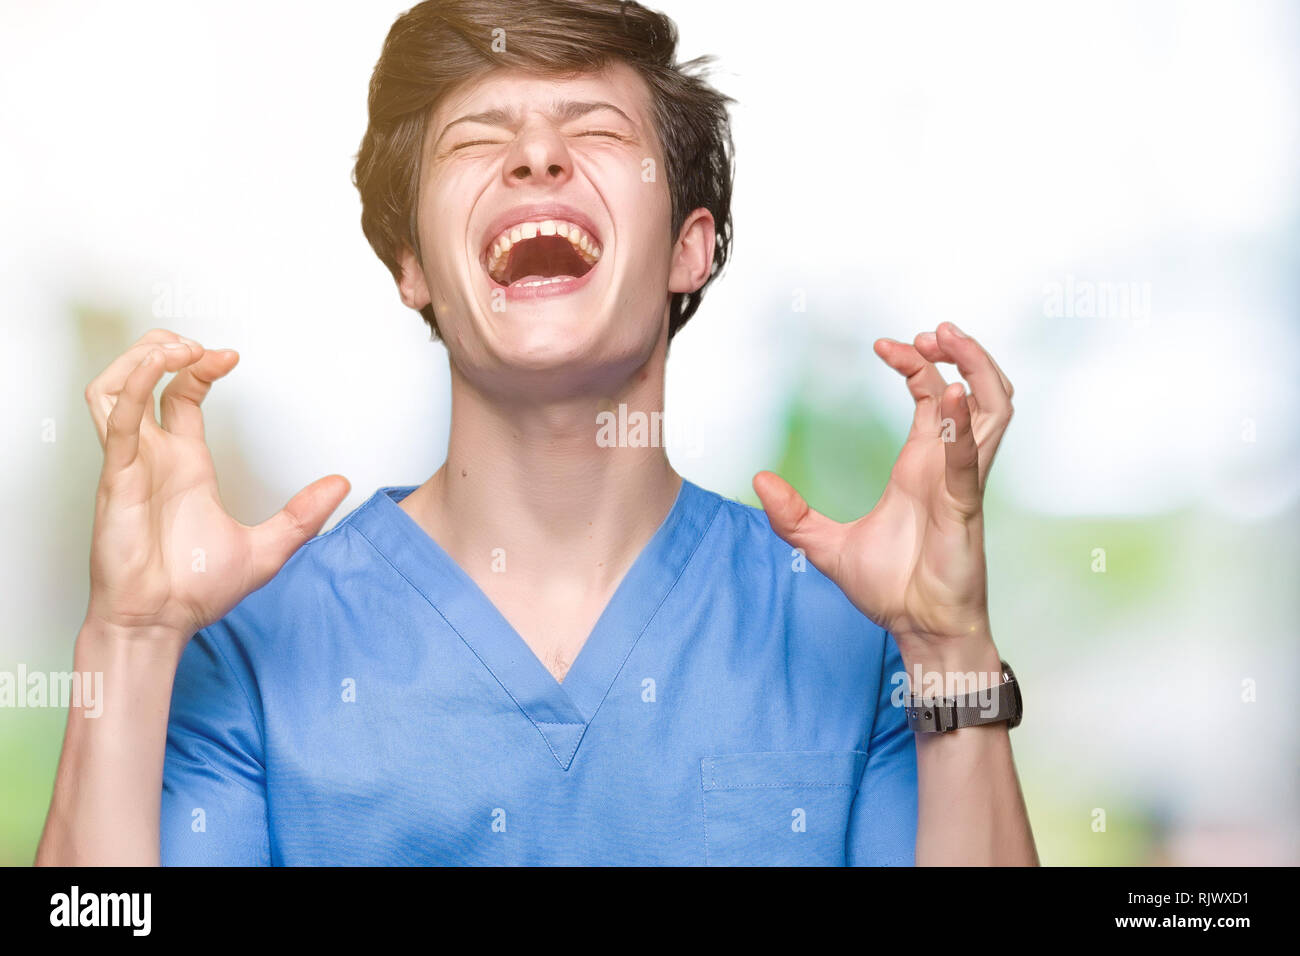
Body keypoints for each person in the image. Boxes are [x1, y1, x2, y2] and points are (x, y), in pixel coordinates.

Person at [36, 0, 1036, 866]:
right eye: (477, 139)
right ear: (413, 265)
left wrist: (948, 646)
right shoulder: (256, 648)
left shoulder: (854, 644)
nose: (536, 154)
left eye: (594, 130)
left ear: (691, 246)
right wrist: (126, 637)